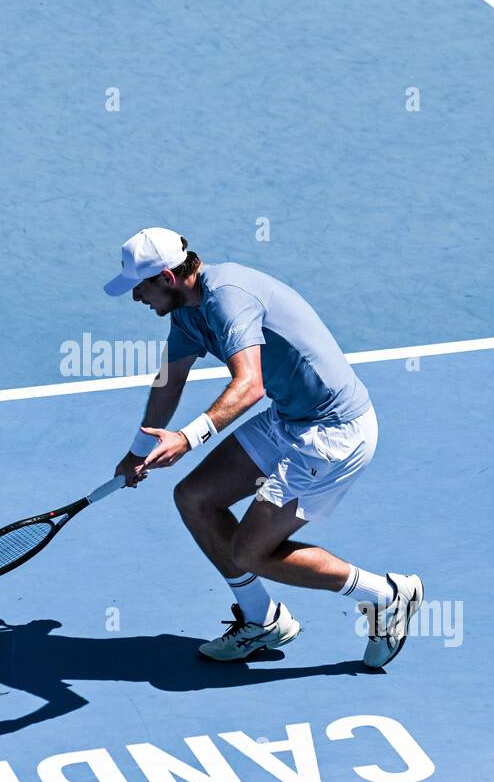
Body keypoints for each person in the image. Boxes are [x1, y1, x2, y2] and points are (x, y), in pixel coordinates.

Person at [106, 227, 423, 668]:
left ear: (166, 277)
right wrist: (139, 449)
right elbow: (169, 381)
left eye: (139, 286)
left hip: (334, 432)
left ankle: (387, 595)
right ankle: (262, 620)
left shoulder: (226, 298)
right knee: (195, 498)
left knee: (250, 551)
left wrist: (188, 438)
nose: (136, 297)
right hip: (290, 418)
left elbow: (250, 384)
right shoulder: (187, 312)